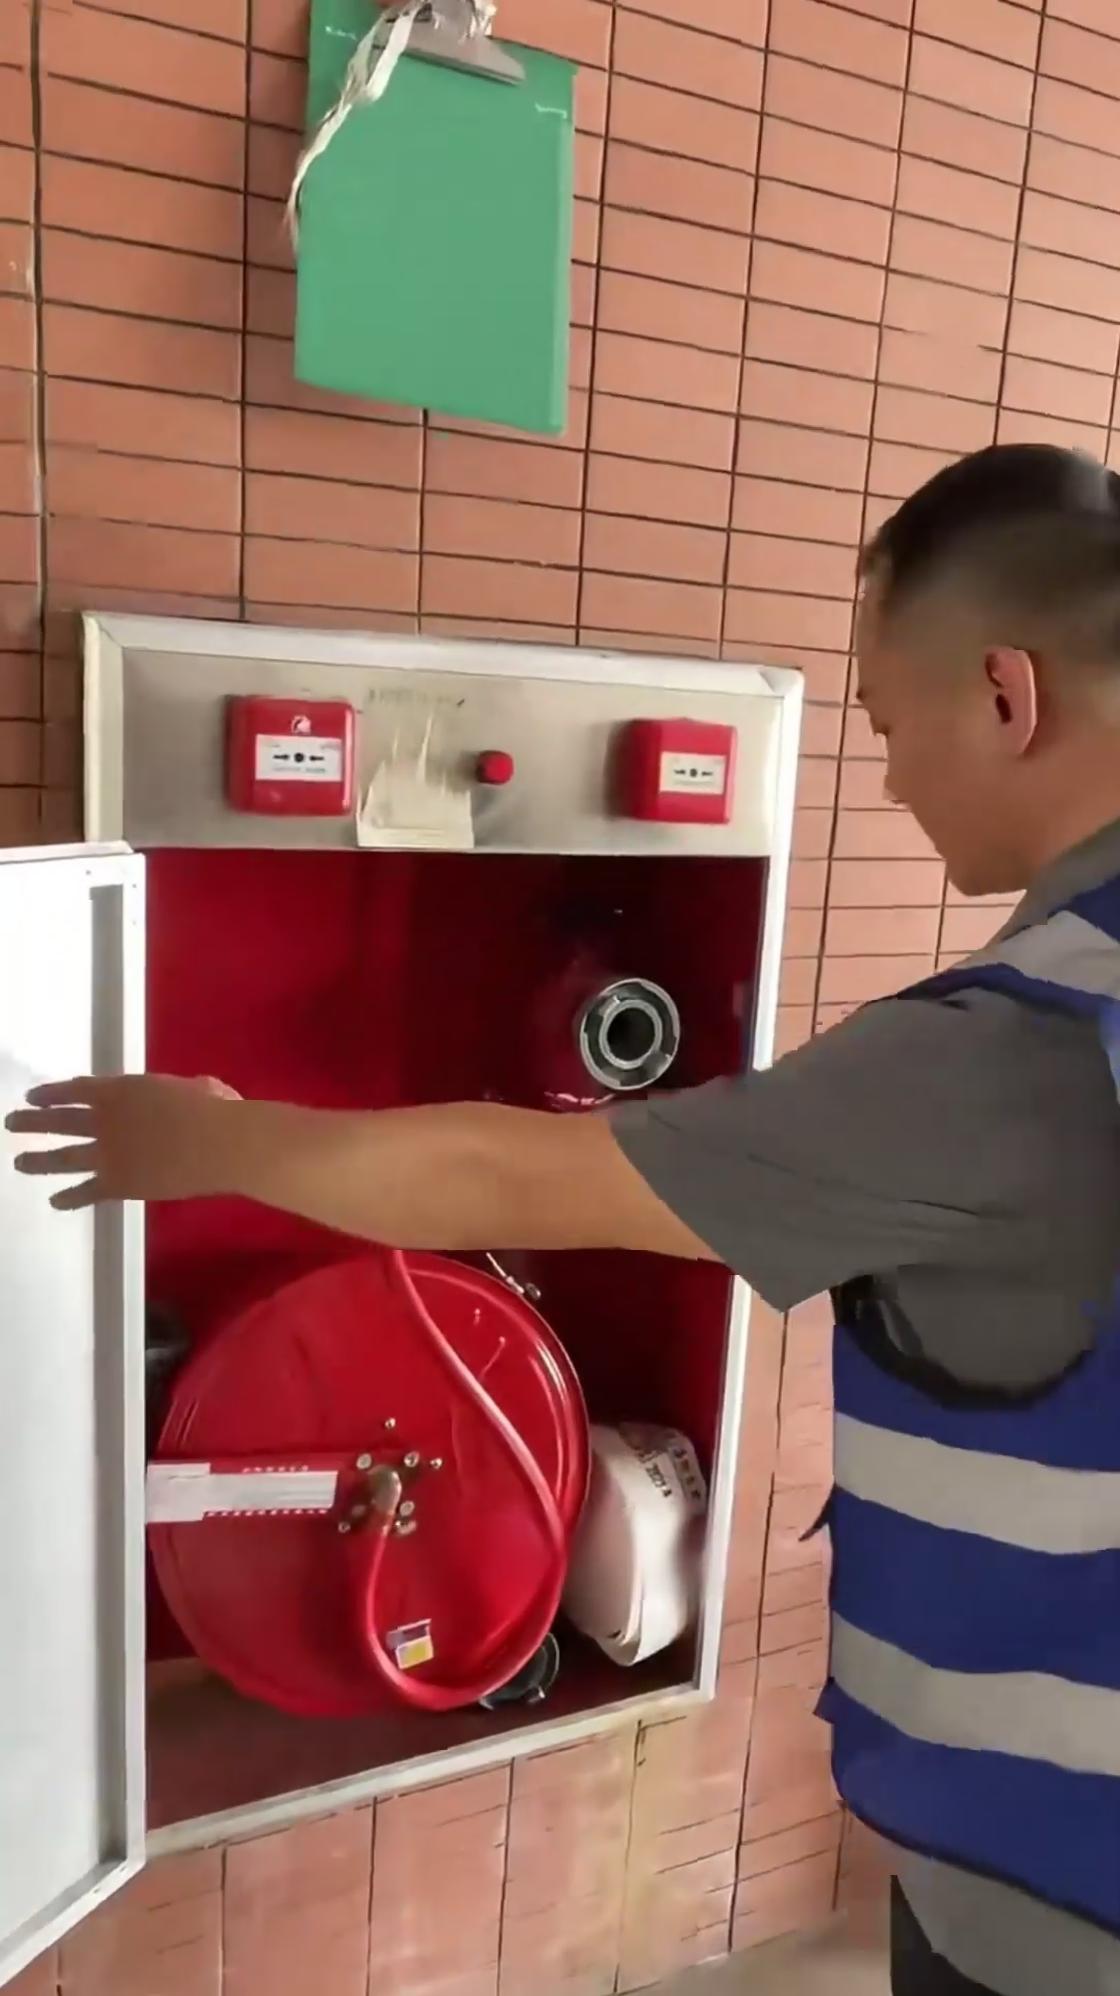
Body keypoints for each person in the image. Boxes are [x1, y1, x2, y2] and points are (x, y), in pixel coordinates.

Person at [9, 441, 1120, 1996]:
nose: (886, 780)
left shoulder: (1012, 1053)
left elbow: (517, 1181)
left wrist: (210, 1138)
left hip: (1061, 1888)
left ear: (1006, 695)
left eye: (885, 725)